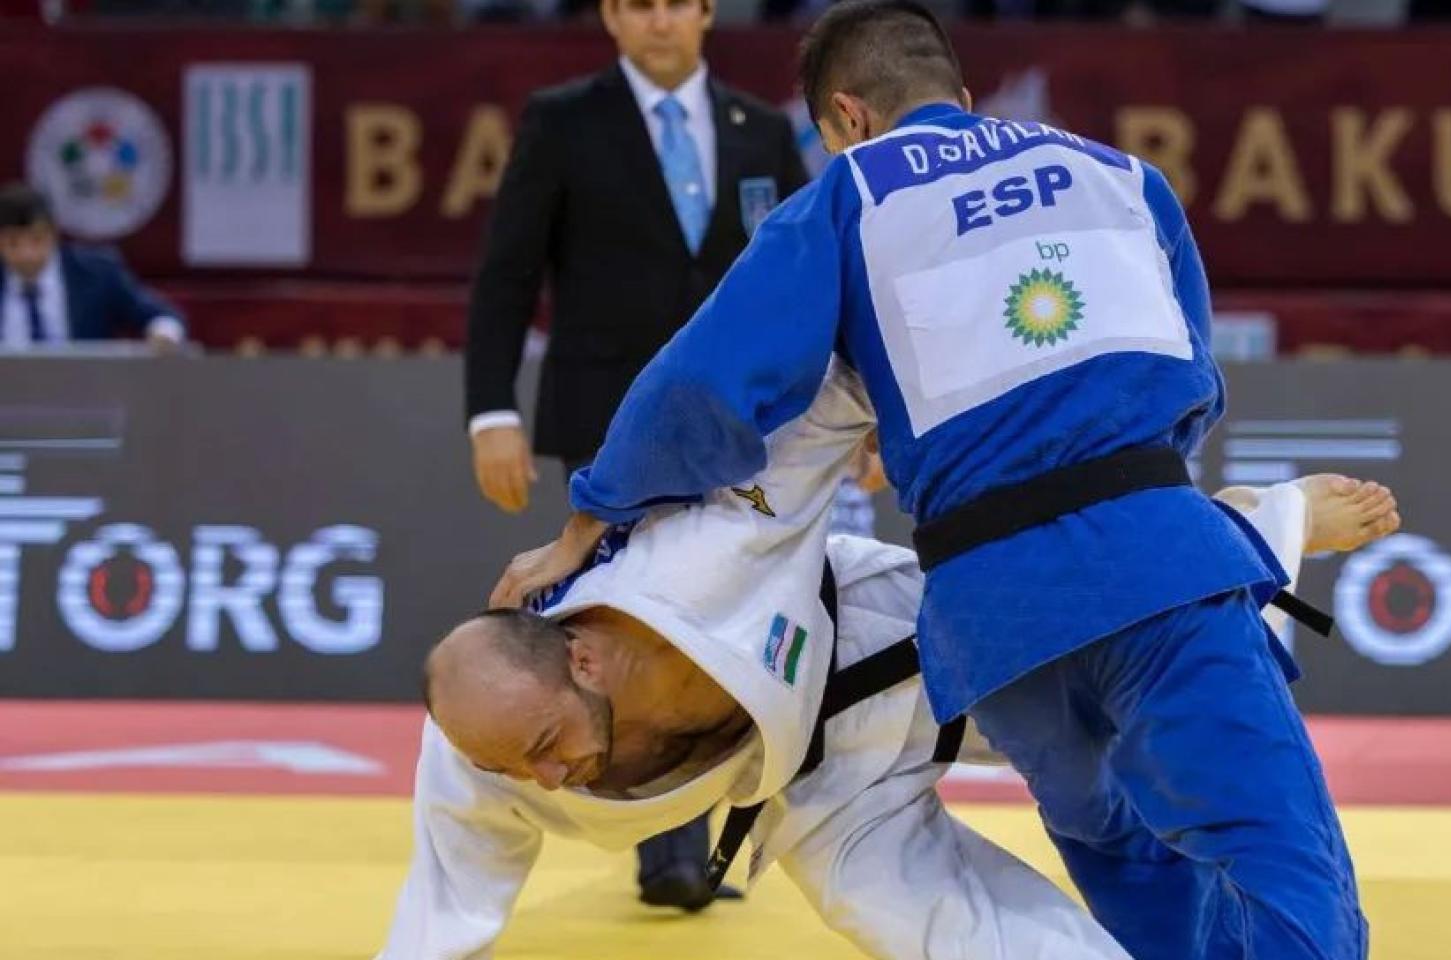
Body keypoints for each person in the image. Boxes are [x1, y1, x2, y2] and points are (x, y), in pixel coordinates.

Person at [488, 2, 1375, 957]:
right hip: (1155, 565)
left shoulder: (847, 197)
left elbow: (699, 389)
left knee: (1124, 854)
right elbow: (1192, 375)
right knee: (1274, 852)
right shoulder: (1121, 176)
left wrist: (590, 517)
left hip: (994, 623)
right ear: (961, 97)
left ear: (847, 117)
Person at [385, 362, 1401, 960]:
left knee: (1115, 656)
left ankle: (1257, 525)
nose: (542, 778)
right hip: (819, 801)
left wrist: (892, 416)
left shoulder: (690, 554)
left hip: (891, 643)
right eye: (513, 768)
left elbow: (814, 393)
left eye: (546, 744)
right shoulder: (483, 759)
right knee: (947, 935)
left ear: (584, 658)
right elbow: (439, 920)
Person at [460, 0, 806, 909]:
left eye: (676, 2)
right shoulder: (563, 121)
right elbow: (508, 274)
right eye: (638, 4)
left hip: (738, 423)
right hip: (603, 421)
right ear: (612, 17)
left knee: (726, 612)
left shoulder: (762, 131)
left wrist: (862, 412)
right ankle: (667, 844)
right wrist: (491, 410)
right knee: (626, 622)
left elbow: (810, 282)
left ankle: (714, 822)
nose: (659, 21)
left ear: (706, 12)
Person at [0, 182, 185, 353]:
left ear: (54, 234)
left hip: (86, 378)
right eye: (12, 242)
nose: (26, 254)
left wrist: (164, 334)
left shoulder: (98, 274)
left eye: (37, 240)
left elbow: (160, 316)